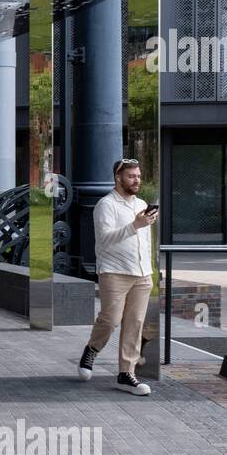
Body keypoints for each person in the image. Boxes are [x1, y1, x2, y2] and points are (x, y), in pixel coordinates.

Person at [77, 158, 158, 395]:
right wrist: (136, 225)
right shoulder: (106, 205)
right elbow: (104, 239)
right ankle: (92, 349)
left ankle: (126, 373)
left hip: (142, 274)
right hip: (114, 271)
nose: (137, 180)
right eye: (132, 176)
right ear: (118, 178)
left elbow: (144, 239)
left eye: (139, 176)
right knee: (110, 320)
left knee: (135, 324)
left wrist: (150, 266)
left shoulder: (141, 203)